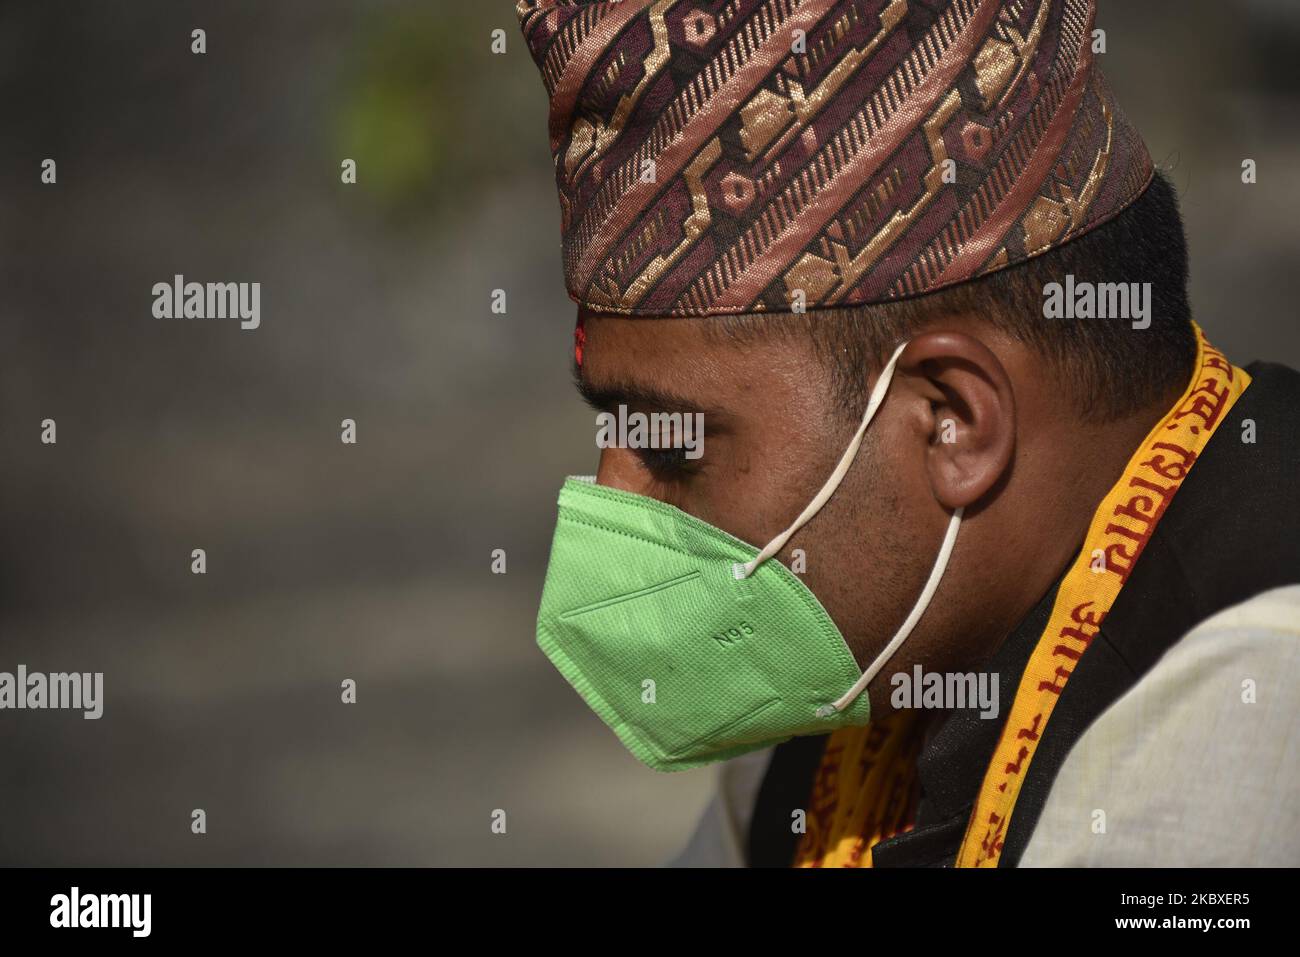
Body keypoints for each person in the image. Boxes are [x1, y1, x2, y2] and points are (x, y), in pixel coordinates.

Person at [516, 0, 1300, 866]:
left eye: (673, 446)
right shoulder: (855, 696)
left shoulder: (1258, 688)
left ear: (954, 422)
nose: (612, 495)